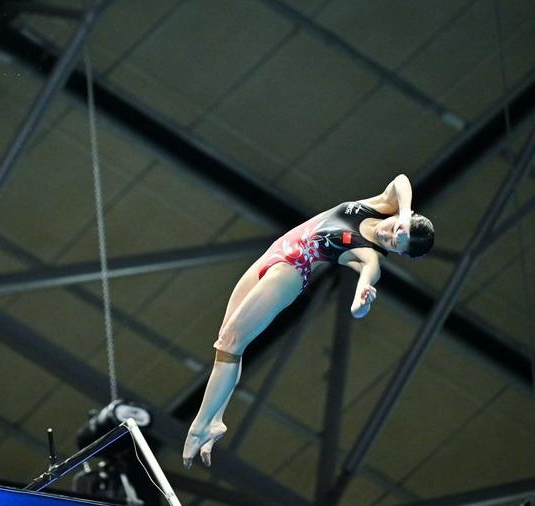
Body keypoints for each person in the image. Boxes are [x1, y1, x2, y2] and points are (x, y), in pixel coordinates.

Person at [182, 174, 434, 469]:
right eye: (397, 232)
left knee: (231, 343)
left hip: (290, 270)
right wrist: (403, 213)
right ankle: (216, 420)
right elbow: (401, 180)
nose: (388, 237)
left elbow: (360, 299)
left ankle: (200, 425)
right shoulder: (382, 205)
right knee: (225, 340)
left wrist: (361, 303)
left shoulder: (371, 257)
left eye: (395, 246)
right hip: (274, 251)